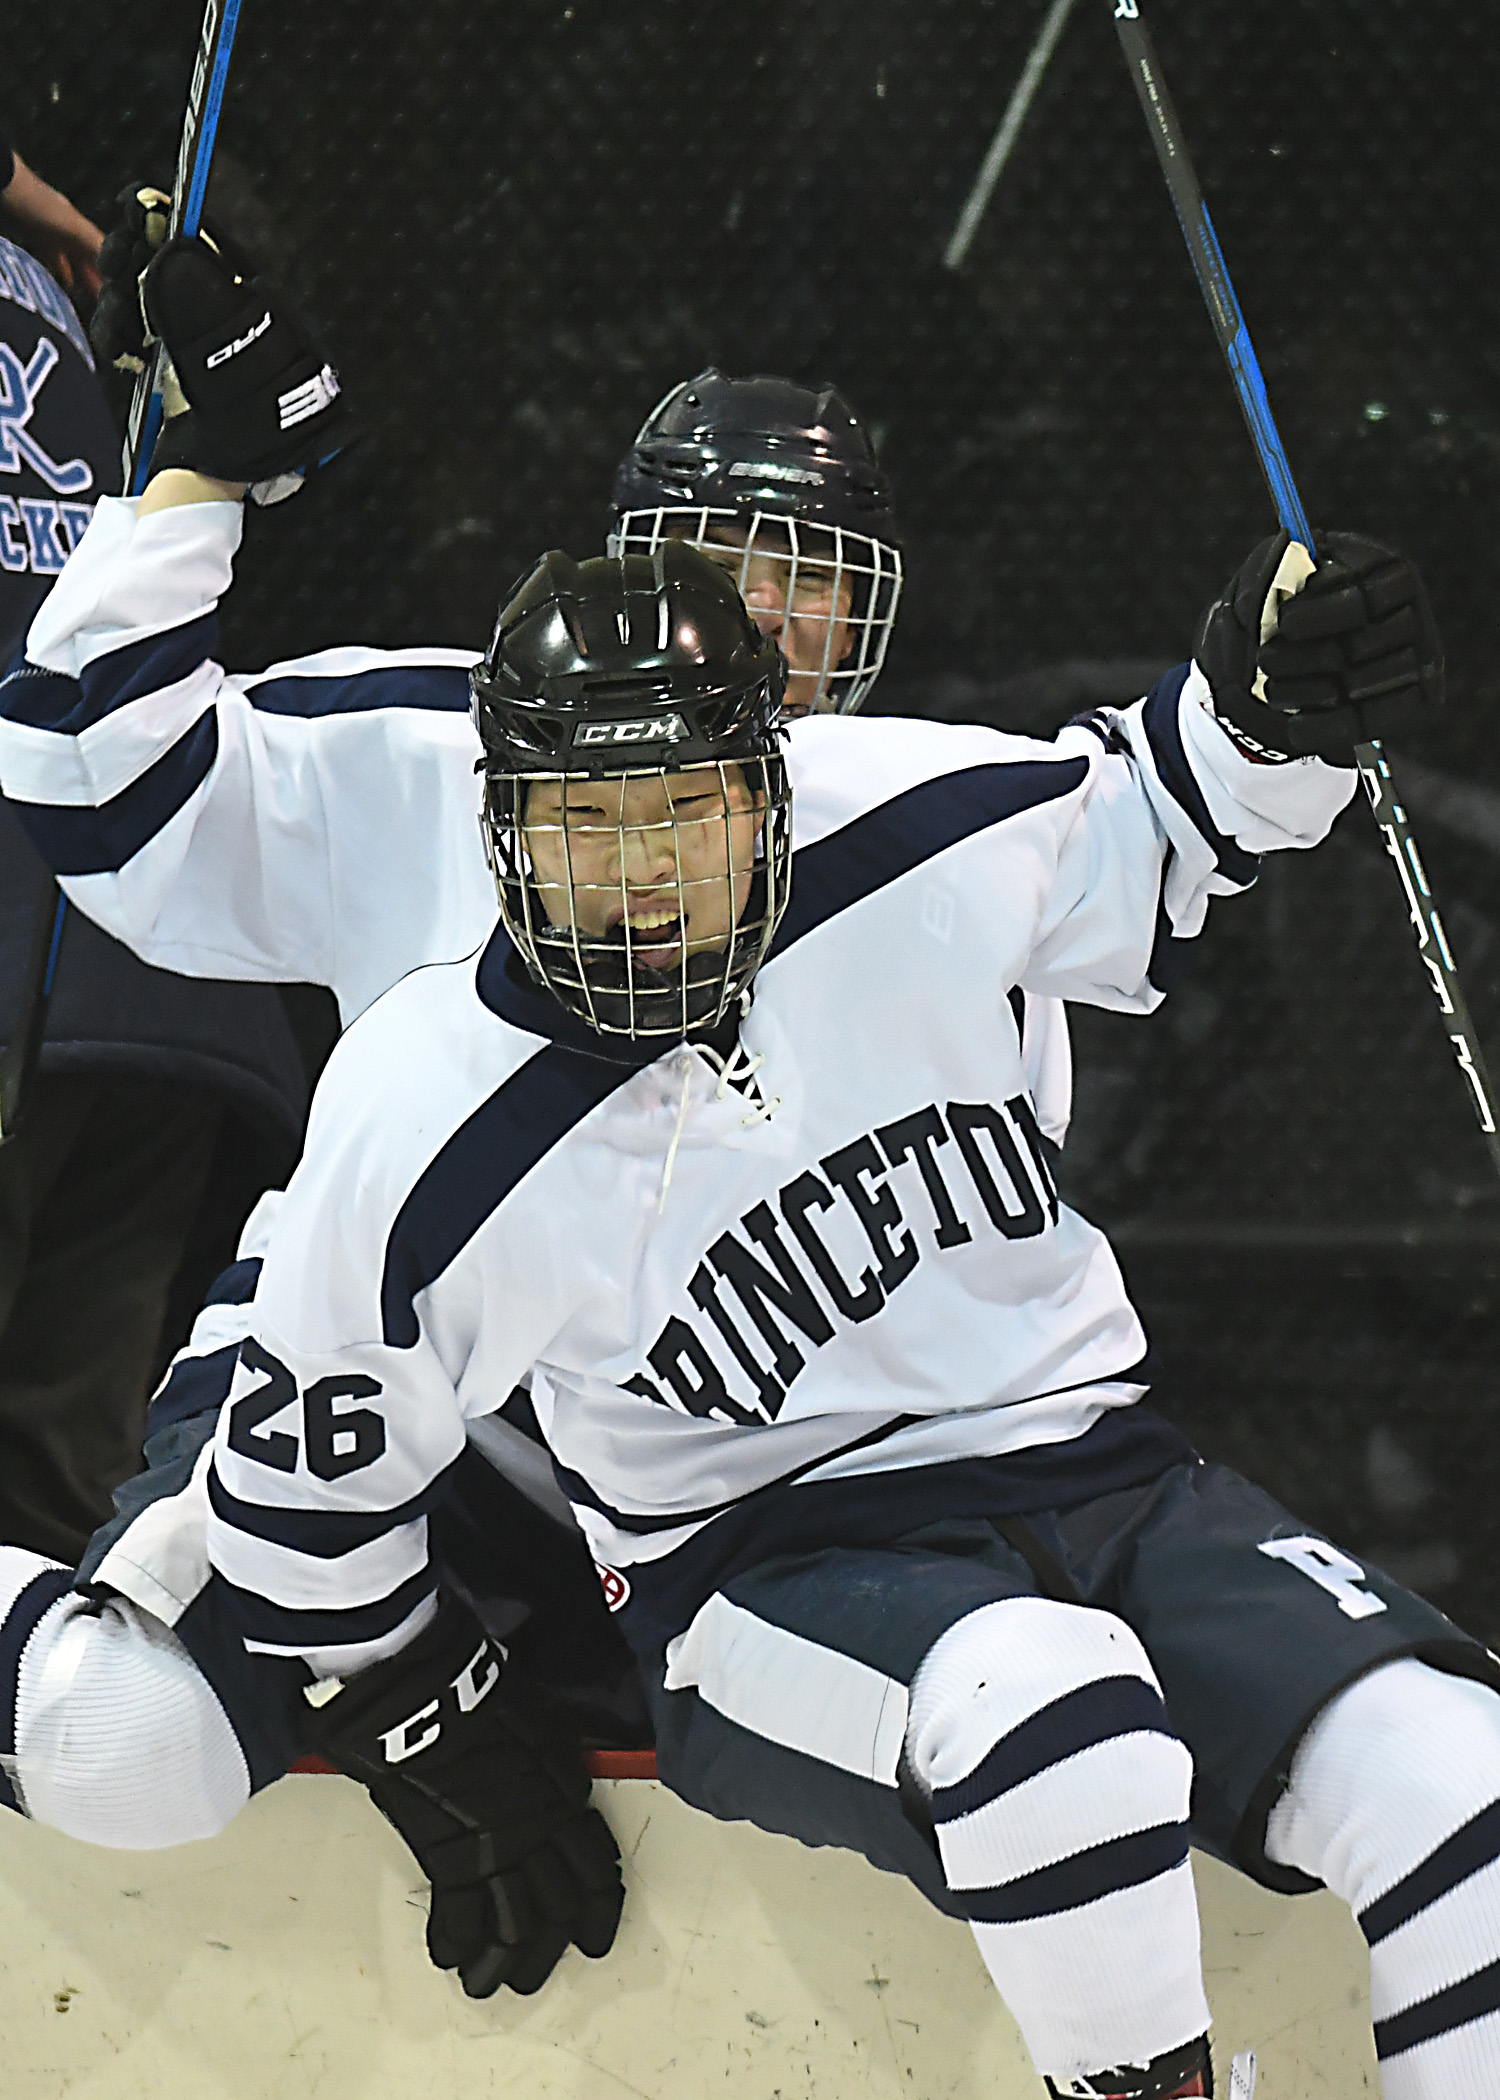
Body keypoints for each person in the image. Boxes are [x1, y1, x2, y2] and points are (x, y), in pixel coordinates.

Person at [1, 394, 1493, 2099]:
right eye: (579, 822)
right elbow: (93, 770)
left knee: (1450, 1777)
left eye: (814, 582)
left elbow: (1167, 799)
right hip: (509, 1451)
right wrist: (425, 1704)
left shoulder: (902, 807)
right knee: (128, 1747)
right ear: (499, 823)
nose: (638, 874)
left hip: (921, 1469)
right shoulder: (424, 975)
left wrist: (1281, 694)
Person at [0, 146, 313, 1563]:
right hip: (139, 954)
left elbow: (282, 441)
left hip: (128, 964)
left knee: (66, 1494)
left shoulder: (103, 286)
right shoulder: (76, 268)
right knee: (64, 1482)